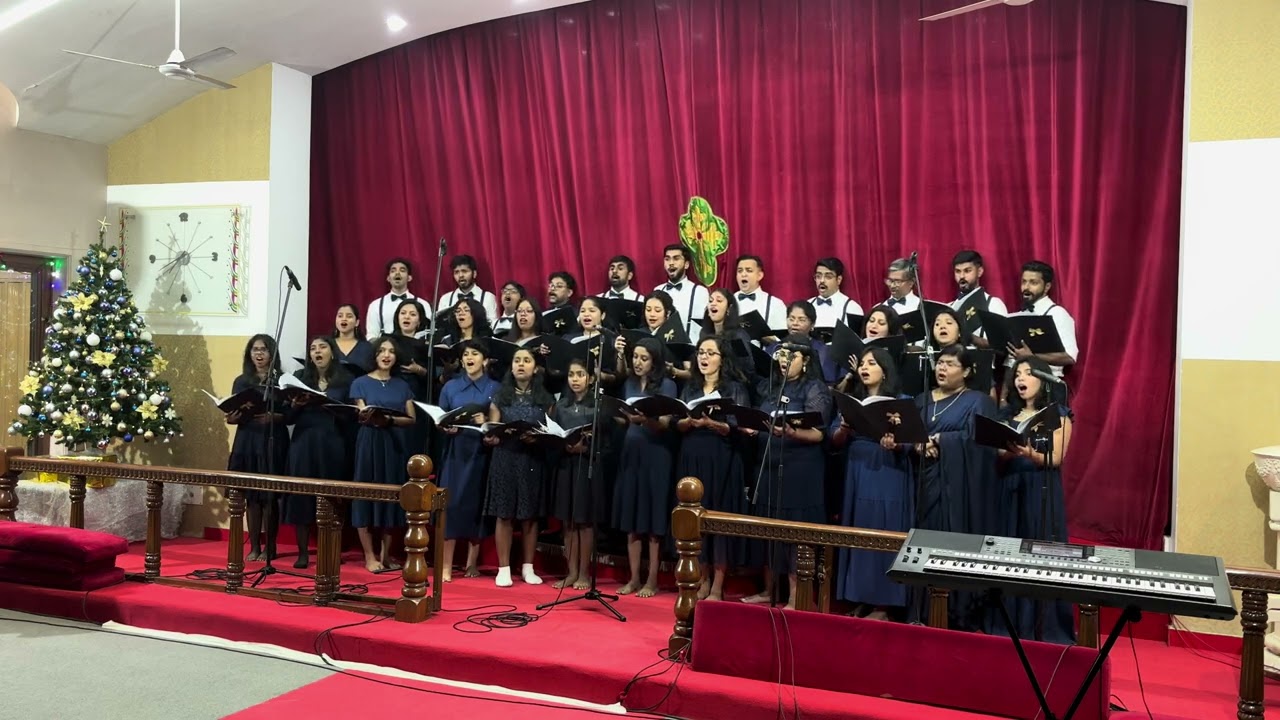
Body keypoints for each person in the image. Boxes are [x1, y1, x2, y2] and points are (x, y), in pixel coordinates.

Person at [742, 335, 832, 609]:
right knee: (770, 530)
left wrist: (792, 431)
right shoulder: (770, 388)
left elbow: (818, 434)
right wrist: (753, 428)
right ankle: (769, 589)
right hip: (769, 464)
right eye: (781, 355)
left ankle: (795, 596)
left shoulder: (815, 388)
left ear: (805, 362)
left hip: (800, 470)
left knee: (794, 536)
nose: (784, 361)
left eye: (791, 357)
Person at [913, 344, 997, 629]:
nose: (942, 368)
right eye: (940, 362)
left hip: (959, 488)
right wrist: (918, 444)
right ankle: (921, 611)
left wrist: (942, 442)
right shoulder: (923, 399)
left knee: (950, 543)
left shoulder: (978, 401)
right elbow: (911, 434)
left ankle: (955, 614)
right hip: (925, 481)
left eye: (950, 363)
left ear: (967, 371)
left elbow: (982, 444)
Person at [829, 347, 913, 619]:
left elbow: (913, 440)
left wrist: (896, 443)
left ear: (885, 369)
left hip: (888, 470)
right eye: (862, 363)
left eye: (871, 363)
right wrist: (843, 428)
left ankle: (883, 604)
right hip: (857, 468)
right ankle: (861, 596)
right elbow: (834, 441)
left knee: (884, 528)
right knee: (859, 529)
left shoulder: (901, 400)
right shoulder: (854, 400)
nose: (864, 368)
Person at [997, 356, 1075, 644]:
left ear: (1043, 379)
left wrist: (1029, 454)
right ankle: (1009, 622)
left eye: (1029, 373)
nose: (1021, 379)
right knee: (1008, 552)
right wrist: (1008, 451)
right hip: (1010, 484)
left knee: (1042, 551)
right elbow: (995, 455)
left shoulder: (1058, 415)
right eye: (1017, 374)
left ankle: (1045, 625)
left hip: (1040, 487)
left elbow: (1056, 459)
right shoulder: (1006, 415)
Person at [674, 335, 749, 601]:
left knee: (717, 517)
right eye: (700, 352)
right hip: (692, 454)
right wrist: (689, 423)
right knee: (695, 520)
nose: (704, 357)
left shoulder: (734, 388)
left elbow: (739, 427)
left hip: (722, 457)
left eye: (710, 353)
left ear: (722, 358)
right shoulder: (691, 388)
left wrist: (712, 424)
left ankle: (718, 583)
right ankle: (701, 577)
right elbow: (678, 423)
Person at [612, 337, 678, 598]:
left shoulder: (667, 385)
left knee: (653, 520)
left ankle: (652, 579)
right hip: (631, 453)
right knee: (632, 519)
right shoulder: (628, 382)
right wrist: (620, 417)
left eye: (643, 358)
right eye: (634, 357)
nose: (637, 362)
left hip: (656, 454)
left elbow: (663, 424)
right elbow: (624, 419)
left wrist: (643, 420)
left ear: (655, 361)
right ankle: (633, 578)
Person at [483, 347, 554, 587]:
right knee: (504, 514)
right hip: (505, 457)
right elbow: (491, 429)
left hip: (531, 459)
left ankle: (528, 567)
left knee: (530, 516)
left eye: (526, 360)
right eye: (516, 360)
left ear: (535, 368)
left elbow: (551, 432)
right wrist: (491, 437)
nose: (521, 364)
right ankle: (503, 568)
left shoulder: (546, 398)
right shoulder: (500, 396)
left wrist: (538, 439)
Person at [349, 337, 418, 573]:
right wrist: (372, 417)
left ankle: (386, 555)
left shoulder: (402, 385)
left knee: (392, 497)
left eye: (391, 351)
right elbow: (361, 414)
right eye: (381, 351)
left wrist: (388, 419)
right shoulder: (360, 383)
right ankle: (370, 556)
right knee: (365, 495)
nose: (386, 355)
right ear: (374, 355)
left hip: (394, 443)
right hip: (369, 443)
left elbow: (411, 419)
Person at [283, 336, 353, 569]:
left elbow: (352, 417)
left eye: (322, 347)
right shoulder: (301, 379)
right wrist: (296, 405)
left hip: (333, 442)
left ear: (332, 352)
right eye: (313, 348)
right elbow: (287, 418)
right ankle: (302, 552)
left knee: (332, 497)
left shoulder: (345, 380)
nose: (317, 351)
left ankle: (331, 548)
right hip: (304, 443)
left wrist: (332, 407)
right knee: (301, 496)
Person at [436, 339, 500, 582]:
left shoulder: (494, 387)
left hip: (480, 451)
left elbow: (496, 424)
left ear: (485, 360)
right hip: (455, 451)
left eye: (475, 353)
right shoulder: (450, 387)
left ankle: (471, 563)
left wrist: (484, 420)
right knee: (450, 505)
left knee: (476, 503)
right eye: (466, 354)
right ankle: (446, 564)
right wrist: (445, 428)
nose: (469, 358)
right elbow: (440, 419)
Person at [225, 334, 289, 562]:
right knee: (251, 497)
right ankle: (254, 546)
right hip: (248, 440)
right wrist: (231, 418)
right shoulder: (242, 381)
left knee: (270, 497)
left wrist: (275, 417)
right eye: (254, 350)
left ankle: (270, 547)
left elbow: (291, 415)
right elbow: (234, 411)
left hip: (273, 439)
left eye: (263, 350)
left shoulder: (283, 380)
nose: (259, 354)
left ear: (272, 354)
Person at [550, 358, 607, 590]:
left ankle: (584, 572)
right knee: (569, 522)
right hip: (566, 466)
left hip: (588, 466)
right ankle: (571, 571)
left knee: (584, 522)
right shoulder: (561, 406)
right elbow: (552, 436)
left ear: (591, 379)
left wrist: (588, 447)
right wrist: (563, 445)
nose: (575, 379)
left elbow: (607, 440)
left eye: (580, 374)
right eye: (572, 375)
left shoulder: (598, 406)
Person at [1007, 260, 1078, 377]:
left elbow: (1070, 357)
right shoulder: (1017, 316)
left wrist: (1031, 357)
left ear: (1047, 287)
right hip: (1017, 384)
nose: (1026, 287)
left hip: (1046, 385)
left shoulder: (1057, 313)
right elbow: (1010, 363)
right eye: (1024, 282)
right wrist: (1004, 395)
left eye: (1033, 283)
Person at [949, 250, 1007, 348]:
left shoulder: (993, 304)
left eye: (967, 271)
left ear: (979, 272)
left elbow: (1003, 344)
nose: (962, 276)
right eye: (958, 271)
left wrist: (970, 338)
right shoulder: (950, 306)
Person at [656, 243, 710, 340]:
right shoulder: (658, 290)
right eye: (667, 259)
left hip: (690, 351)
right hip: (662, 350)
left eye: (676, 258)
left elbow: (705, 326)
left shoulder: (700, 292)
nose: (671, 263)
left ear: (686, 264)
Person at [366, 258, 425, 339]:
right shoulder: (375, 305)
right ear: (388, 278)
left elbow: (425, 333)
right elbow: (371, 335)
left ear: (409, 278)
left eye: (402, 270)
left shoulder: (423, 304)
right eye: (393, 271)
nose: (397, 273)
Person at [438, 254, 498, 324]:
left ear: (474, 274)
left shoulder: (488, 297)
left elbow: (492, 325)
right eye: (456, 272)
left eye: (464, 271)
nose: (460, 275)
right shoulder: (446, 299)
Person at [733, 254, 786, 331]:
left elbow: (782, 336)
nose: (743, 274)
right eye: (740, 271)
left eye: (749, 270)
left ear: (759, 275)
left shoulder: (775, 304)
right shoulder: (727, 301)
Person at [809, 257, 863, 328]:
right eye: (818, 276)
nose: (822, 280)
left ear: (839, 280)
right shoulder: (808, 305)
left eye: (828, 277)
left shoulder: (852, 308)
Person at [332, 303, 375, 371]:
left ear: (357, 322)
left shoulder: (367, 348)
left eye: (349, 316)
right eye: (340, 316)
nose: (344, 319)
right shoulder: (328, 345)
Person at [544, 271, 579, 336]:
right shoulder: (545, 313)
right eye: (551, 285)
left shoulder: (574, 314)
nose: (552, 289)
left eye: (559, 286)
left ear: (569, 292)